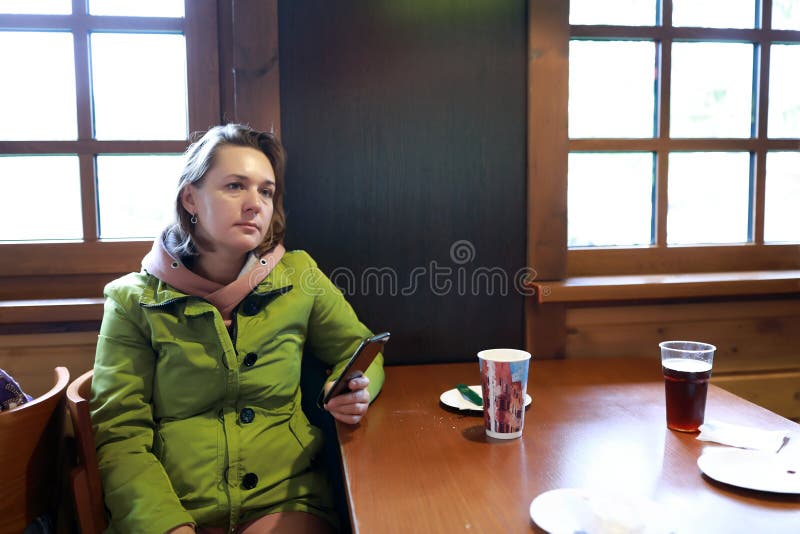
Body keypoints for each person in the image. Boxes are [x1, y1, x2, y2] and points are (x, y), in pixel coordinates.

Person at [90, 124, 385, 533]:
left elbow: (362, 349)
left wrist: (352, 387)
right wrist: (166, 524)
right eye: (234, 186)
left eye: (266, 191)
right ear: (190, 198)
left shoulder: (299, 275)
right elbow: (120, 436)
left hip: (286, 500)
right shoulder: (131, 300)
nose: (255, 205)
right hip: (176, 508)